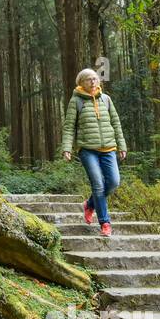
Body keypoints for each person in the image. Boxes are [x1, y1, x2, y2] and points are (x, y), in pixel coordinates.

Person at [60, 68, 127, 236]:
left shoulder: (106, 99)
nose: (93, 82)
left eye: (95, 79)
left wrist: (122, 145)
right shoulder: (76, 101)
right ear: (81, 82)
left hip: (109, 148)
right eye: (89, 79)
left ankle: (90, 204)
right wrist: (67, 148)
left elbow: (116, 124)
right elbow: (69, 127)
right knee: (97, 184)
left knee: (113, 182)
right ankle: (105, 223)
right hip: (88, 150)